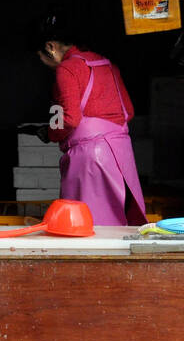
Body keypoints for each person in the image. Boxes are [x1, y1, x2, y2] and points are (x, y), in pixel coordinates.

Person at [31, 16, 147, 226]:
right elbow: (128, 111)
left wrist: (49, 133)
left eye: (42, 57)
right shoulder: (107, 65)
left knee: (86, 227)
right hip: (121, 152)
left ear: (51, 47)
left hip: (91, 159)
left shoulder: (67, 69)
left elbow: (69, 118)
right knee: (118, 225)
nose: (44, 64)